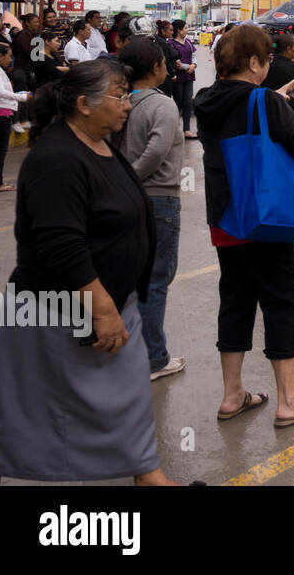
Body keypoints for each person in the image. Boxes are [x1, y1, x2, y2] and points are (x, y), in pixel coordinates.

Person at [0, 61, 185, 485]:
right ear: (83, 104)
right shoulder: (56, 158)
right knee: (15, 420)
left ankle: (151, 478)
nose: (128, 105)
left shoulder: (98, 143)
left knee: (127, 410)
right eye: (119, 95)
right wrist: (102, 309)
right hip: (57, 311)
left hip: (106, 304)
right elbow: (61, 244)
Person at [193, 24, 294, 429]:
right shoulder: (264, 102)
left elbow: (239, 112)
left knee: (235, 300)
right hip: (265, 218)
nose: (267, 66)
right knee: (281, 300)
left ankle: (232, 394)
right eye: (266, 60)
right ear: (253, 62)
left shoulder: (205, 100)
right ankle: (290, 401)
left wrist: (272, 98)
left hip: (225, 217)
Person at [115, 36, 186, 380]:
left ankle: (132, 350)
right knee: (156, 280)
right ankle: (154, 358)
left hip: (128, 200)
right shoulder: (163, 105)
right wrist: (133, 176)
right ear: (156, 67)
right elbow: (157, 151)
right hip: (158, 198)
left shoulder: (123, 101)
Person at [0, 44, 29, 192]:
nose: (10, 59)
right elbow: (0, 91)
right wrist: (22, 97)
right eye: (9, 56)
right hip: (1, 112)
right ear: (0, 56)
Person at [169, 19, 198, 139]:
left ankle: (186, 129)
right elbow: (177, 64)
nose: (187, 30)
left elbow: (194, 56)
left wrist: (194, 65)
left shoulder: (189, 42)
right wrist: (188, 66)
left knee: (188, 102)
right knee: (178, 103)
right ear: (179, 30)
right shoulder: (170, 44)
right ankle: (174, 130)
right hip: (178, 77)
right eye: (185, 28)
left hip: (189, 76)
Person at [155, 21, 179, 99]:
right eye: (170, 30)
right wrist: (172, 74)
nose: (172, 32)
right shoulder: (162, 42)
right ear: (162, 30)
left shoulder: (162, 41)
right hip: (165, 77)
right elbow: (165, 60)